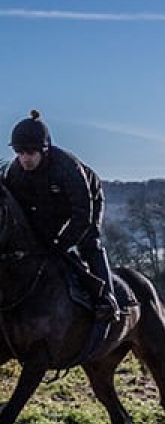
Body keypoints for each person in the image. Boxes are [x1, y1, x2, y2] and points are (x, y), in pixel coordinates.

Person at [3, 110, 122, 323]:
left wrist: (61, 243)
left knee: (89, 242)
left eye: (31, 152)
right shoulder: (15, 173)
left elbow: (82, 215)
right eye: (20, 152)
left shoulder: (67, 168)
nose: (25, 159)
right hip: (47, 204)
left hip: (86, 199)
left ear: (44, 150)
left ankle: (107, 298)